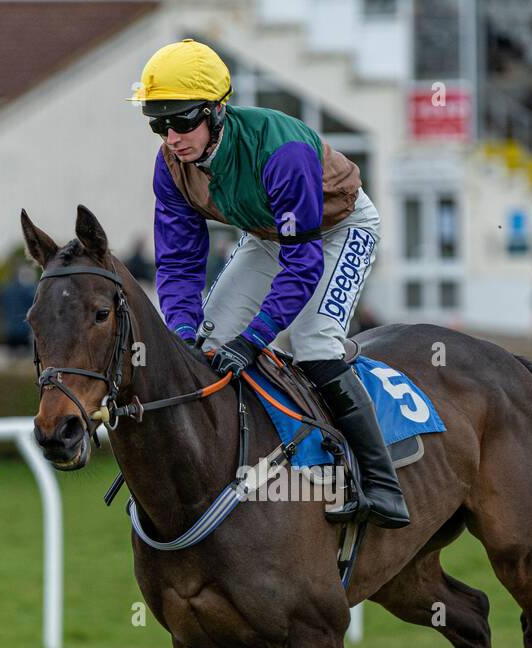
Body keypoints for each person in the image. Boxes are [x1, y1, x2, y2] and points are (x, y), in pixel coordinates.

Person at [133, 38, 407, 528]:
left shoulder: (281, 148)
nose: (171, 137)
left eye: (181, 120)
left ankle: (381, 483)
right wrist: (179, 330)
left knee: (313, 343)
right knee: (207, 341)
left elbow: (302, 264)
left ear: (217, 111)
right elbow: (177, 262)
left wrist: (255, 338)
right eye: (158, 123)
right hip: (268, 235)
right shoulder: (170, 166)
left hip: (338, 228)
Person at [0, 264, 38, 360]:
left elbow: (1, 306)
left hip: (10, 326)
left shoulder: (5, 289)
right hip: (23, 326)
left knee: (12, 353)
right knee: (24, 353)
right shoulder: (28, 290)